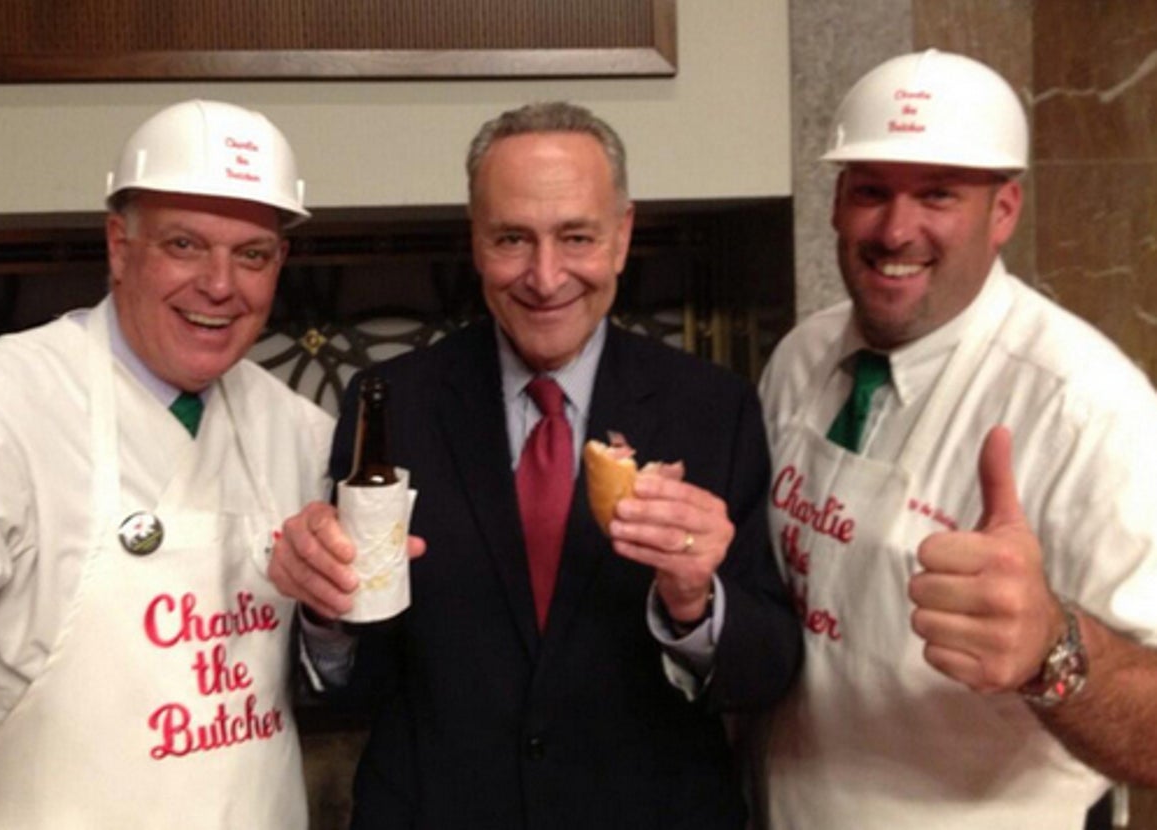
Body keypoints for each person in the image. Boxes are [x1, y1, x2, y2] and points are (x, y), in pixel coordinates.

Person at [269, 101, 802, 828]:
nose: (545, 277)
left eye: (576, 236)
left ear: (621, 237)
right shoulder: (391, 403)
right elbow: (358, 679)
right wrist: (327, 611)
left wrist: (694, 602)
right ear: (476, 242)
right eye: (513, 239)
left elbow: (768, 668)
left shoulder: (714, 407)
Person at [0, 99, 336, 827]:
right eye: (184, 245)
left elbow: (333, 667)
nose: (220, 286)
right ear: (117, 245)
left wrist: (334, 621)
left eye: (252, 255)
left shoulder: (302, 432)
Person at [759, 49, 1157, 829]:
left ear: (1003, 211)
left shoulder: (1089, 410)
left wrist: (1053, 650)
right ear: (837, 202)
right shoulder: (800, 358)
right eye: (871, 191)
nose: (895, 229)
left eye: (937, 194)